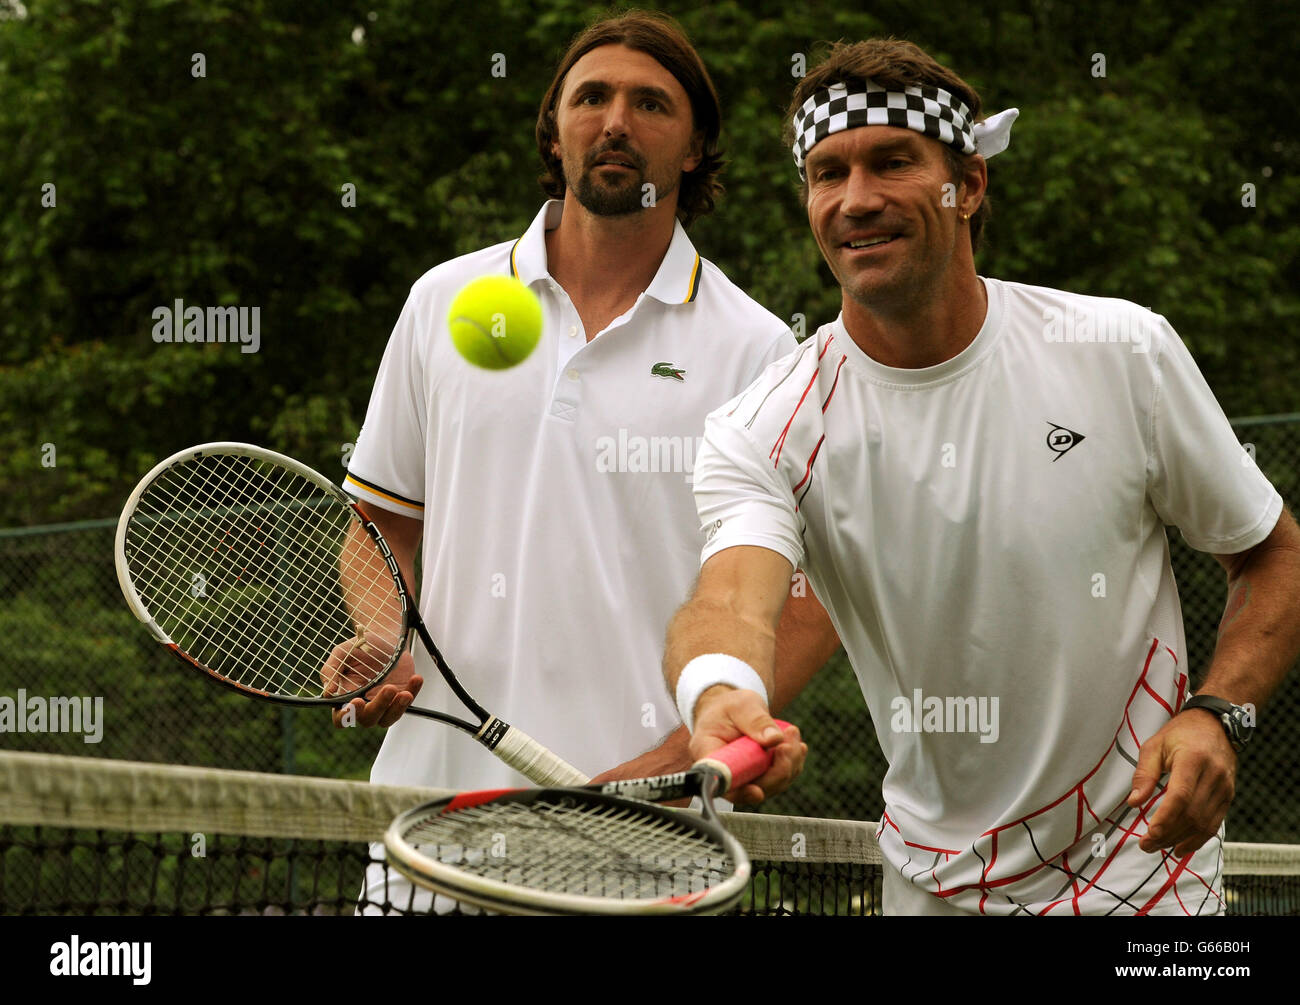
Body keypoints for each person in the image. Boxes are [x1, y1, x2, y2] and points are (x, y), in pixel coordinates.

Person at [664, 38, 1300, 915]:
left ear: (968, 185)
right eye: (827, 171)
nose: (856, 199)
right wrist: (720, 689)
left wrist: (1219, 712)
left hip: (1149, 874)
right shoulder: (762, 426)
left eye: (892, 162)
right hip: (929, 881)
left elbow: (1274, 556)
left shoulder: (1121, 350)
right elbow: (730, 599)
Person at [341, 12, 825, 909]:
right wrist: (384, 637)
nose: (616, 121)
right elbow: (382, 521)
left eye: (652, 103)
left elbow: (809, 599)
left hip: (647, 850)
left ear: (693, 148)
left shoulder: (760, 349)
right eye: (591, 97)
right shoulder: (446, 299)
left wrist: (682, 755)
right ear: (554, 129)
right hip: (424, 831)